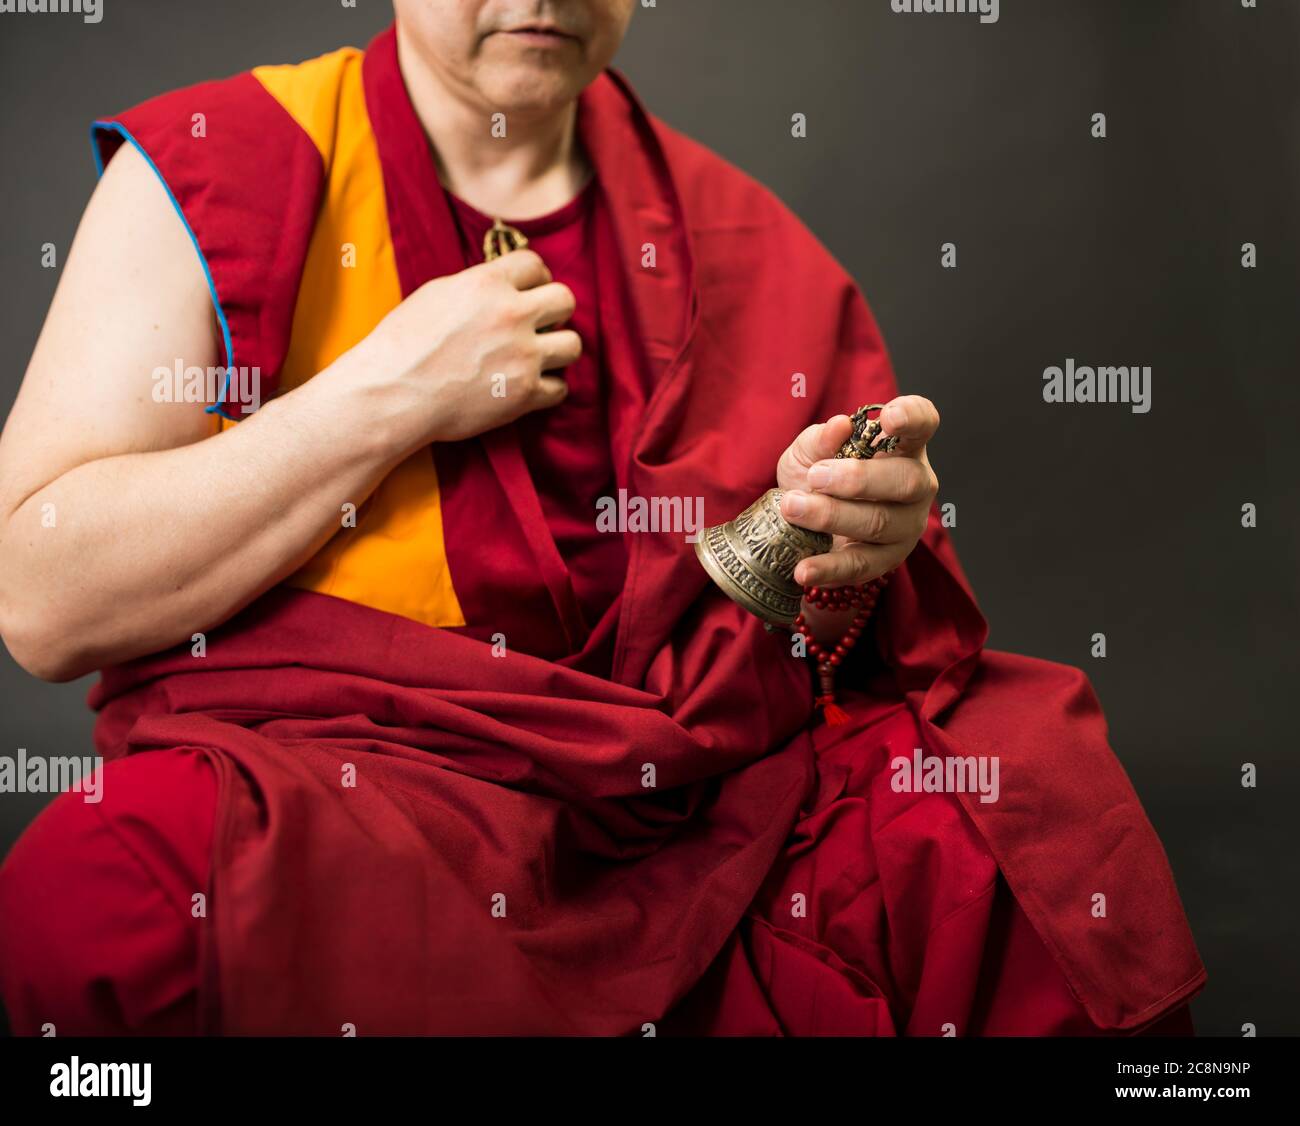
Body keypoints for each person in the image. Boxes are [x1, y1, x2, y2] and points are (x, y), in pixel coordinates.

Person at [0, 1, 1204, 1035]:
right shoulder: (227, 160)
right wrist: (385, 397)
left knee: (1008, 788)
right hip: (341, 783)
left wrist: (858, 553)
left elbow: (828, 648)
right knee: (91, 886)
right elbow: (39, 602)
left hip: (685, 800)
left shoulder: (741, 237)